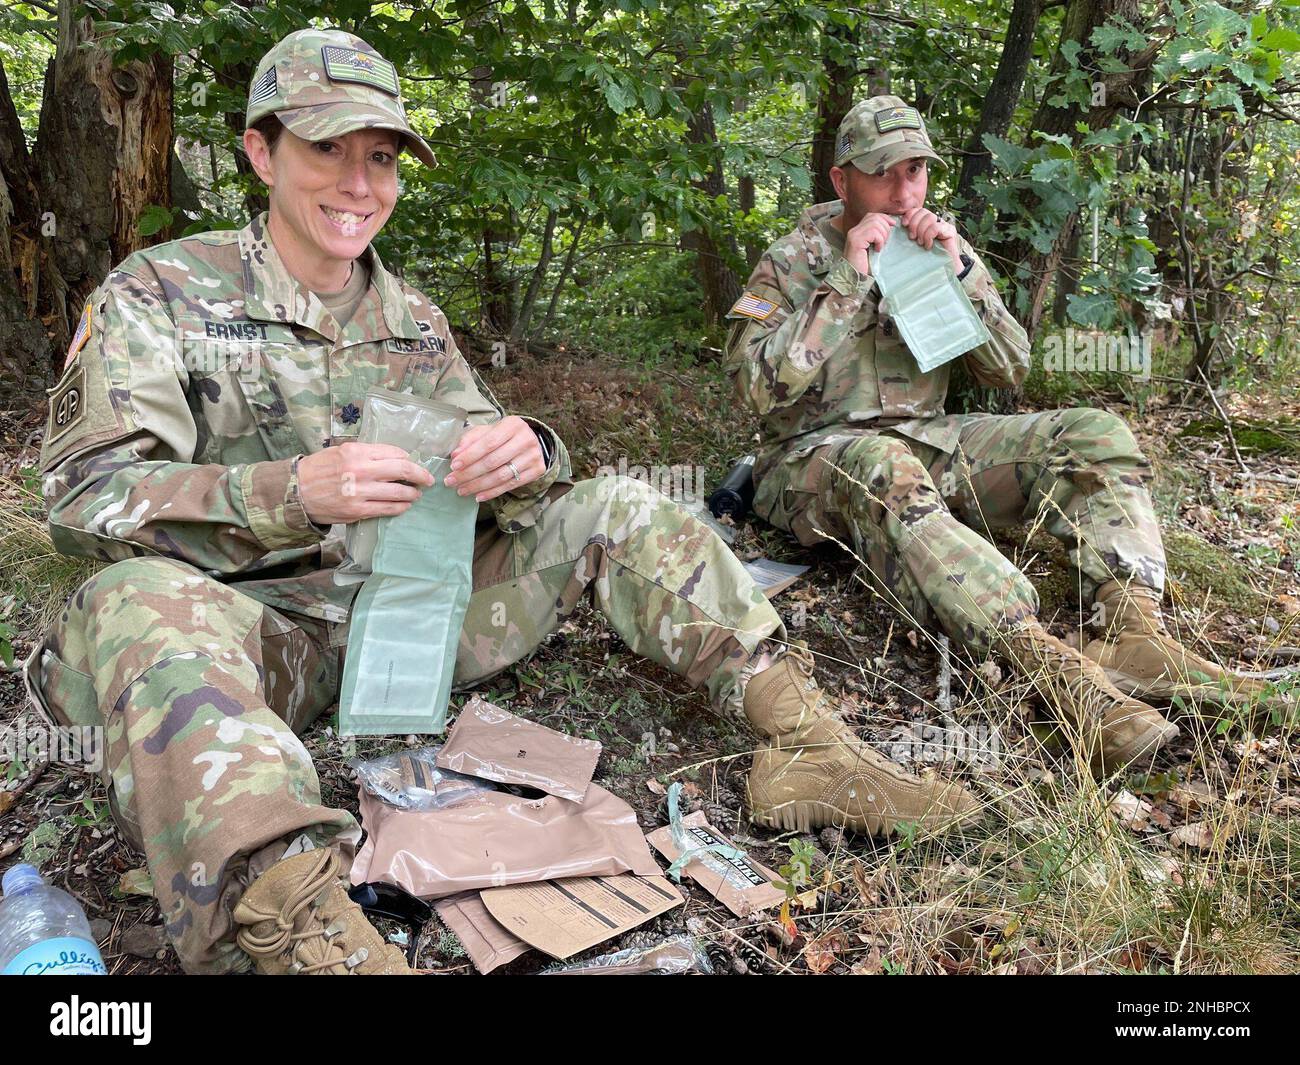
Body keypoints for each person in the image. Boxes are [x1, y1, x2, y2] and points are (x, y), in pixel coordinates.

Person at [21, 36, 978, 976]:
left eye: (383, 157)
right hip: (249, 634)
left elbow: (520, 478)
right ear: (260, 151)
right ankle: (295, 925)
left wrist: (528, 449)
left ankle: (807, 738)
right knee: (133, 598)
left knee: (617, 504)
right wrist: (284, 492)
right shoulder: (162, 294)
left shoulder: (415, 322)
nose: (360, 183)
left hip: (411, 613)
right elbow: (80, 494)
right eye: (326, 148)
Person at [724, 95, 1283, 775]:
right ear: (842, 180)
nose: (905, 194)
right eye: (883, 175)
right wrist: (847, 277)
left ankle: (1137, 630)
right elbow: (755, 390)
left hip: (930, 437)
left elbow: (1010, 367)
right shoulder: (790, 261)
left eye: (917, 173)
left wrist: (962, 273)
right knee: (882, 462)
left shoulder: (935, 247)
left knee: (1093, 432)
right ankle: (1053, 670)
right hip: (813, 458)